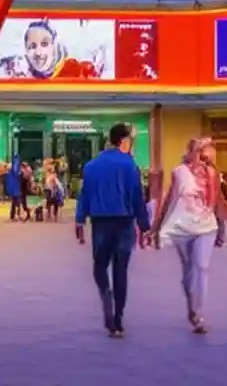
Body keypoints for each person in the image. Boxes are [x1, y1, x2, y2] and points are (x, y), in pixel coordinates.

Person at [75, 123, 151, 338]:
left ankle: (106, 298)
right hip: (124, 223)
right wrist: (144, 226)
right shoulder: (130, 166)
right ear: (124, 141)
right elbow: (137, 197)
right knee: (121, 270)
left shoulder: (91, 166)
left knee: (100, 267)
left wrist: (80, 220)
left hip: (100, 223)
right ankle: (118, 319)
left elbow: (85, 196)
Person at [152, 137, 220, 334]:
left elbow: (216, 203)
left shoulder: (213, 173)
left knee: (202, 266)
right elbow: (169, 201)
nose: (208, 154)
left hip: (206, 227)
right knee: (189, 269)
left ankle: (199, 313)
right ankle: (191, 305)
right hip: (183, 226)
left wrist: (223, 225)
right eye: (204, 150)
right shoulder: (179, 172)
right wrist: (156, 226)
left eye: (209, 150)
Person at [5, 153, 26, 222]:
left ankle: (13, 215)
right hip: (15, 187)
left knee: (14, 202)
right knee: (18, 201)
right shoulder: (16, 166)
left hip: (12, 186)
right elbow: (17, 174)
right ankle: (18, 215)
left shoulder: (11, 166)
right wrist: (21, 173)